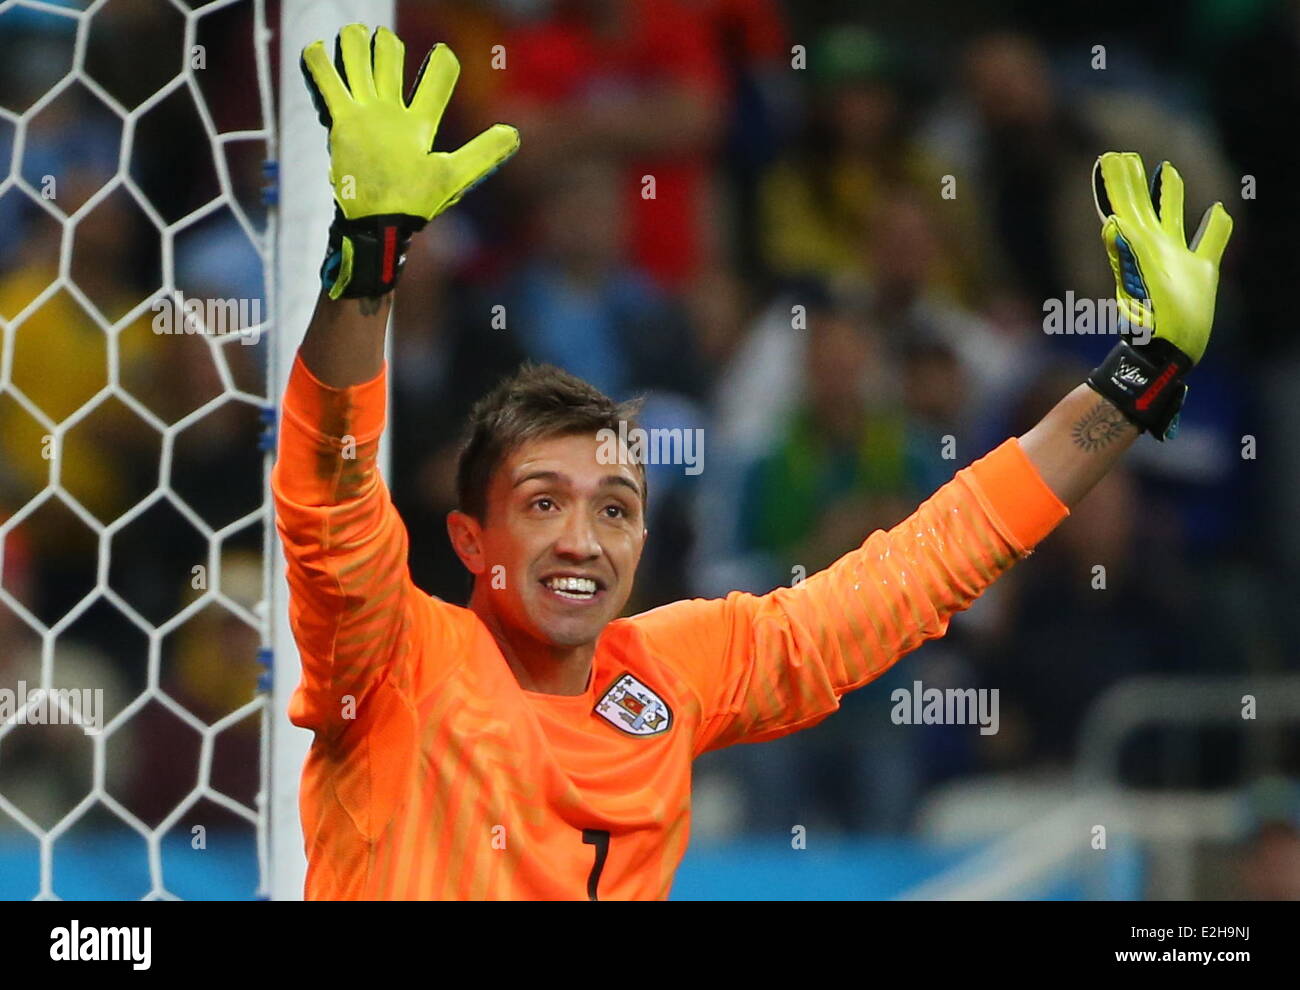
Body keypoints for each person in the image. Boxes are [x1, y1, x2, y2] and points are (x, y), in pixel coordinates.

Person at [274, 26, 1233, 900]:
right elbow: (331, 495)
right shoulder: (394, 658)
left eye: (615, 508)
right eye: (542, 502)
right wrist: (370, 256)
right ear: (469, 539)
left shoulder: (672, 672)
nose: (582, 539)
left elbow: (929, 564)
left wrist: (1136, 383)